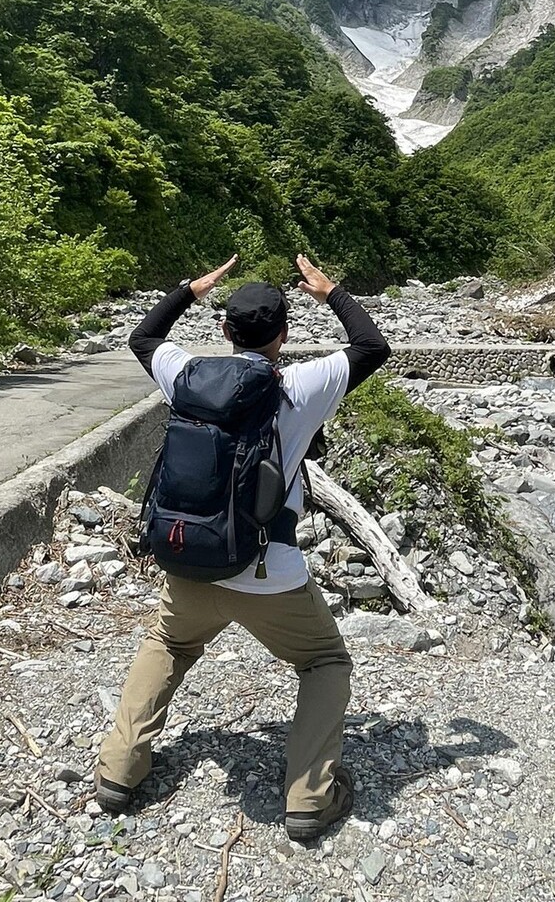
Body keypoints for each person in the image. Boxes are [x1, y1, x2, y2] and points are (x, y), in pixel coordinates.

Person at [95, 251, 391, 841]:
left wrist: (190, 289)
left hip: (188, 560)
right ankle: (309, 799)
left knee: (168, 643)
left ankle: (118, 774)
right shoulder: (303, 384)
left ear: (225, 332)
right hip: (266, 570)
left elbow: (144, 336)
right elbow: (371, 347)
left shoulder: (184, 375)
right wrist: (330, 292)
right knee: (324, 661)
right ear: (283, 334)